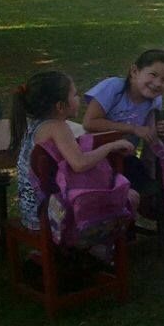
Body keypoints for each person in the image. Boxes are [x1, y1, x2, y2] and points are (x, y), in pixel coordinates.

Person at [11, 70, 135, 233]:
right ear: (60, 106)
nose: (78, 98)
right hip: (49, 217)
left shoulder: (35, 124)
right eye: (74, 94)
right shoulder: (58, 127)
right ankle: (102, 247)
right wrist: (111, 146)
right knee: (130, 197)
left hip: (31, 214)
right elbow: (80, 164)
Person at [82, 49, 164, 207]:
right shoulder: (114, 87)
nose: (157, 83)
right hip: (97, 155)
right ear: (134, 71)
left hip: (125, 158)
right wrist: (132, 129)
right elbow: (89, 122)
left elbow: (149, 133)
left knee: (148, 179)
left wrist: (160, 127)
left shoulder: (155, 100)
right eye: (153, 75)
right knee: (137, 178)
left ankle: (138, 211)